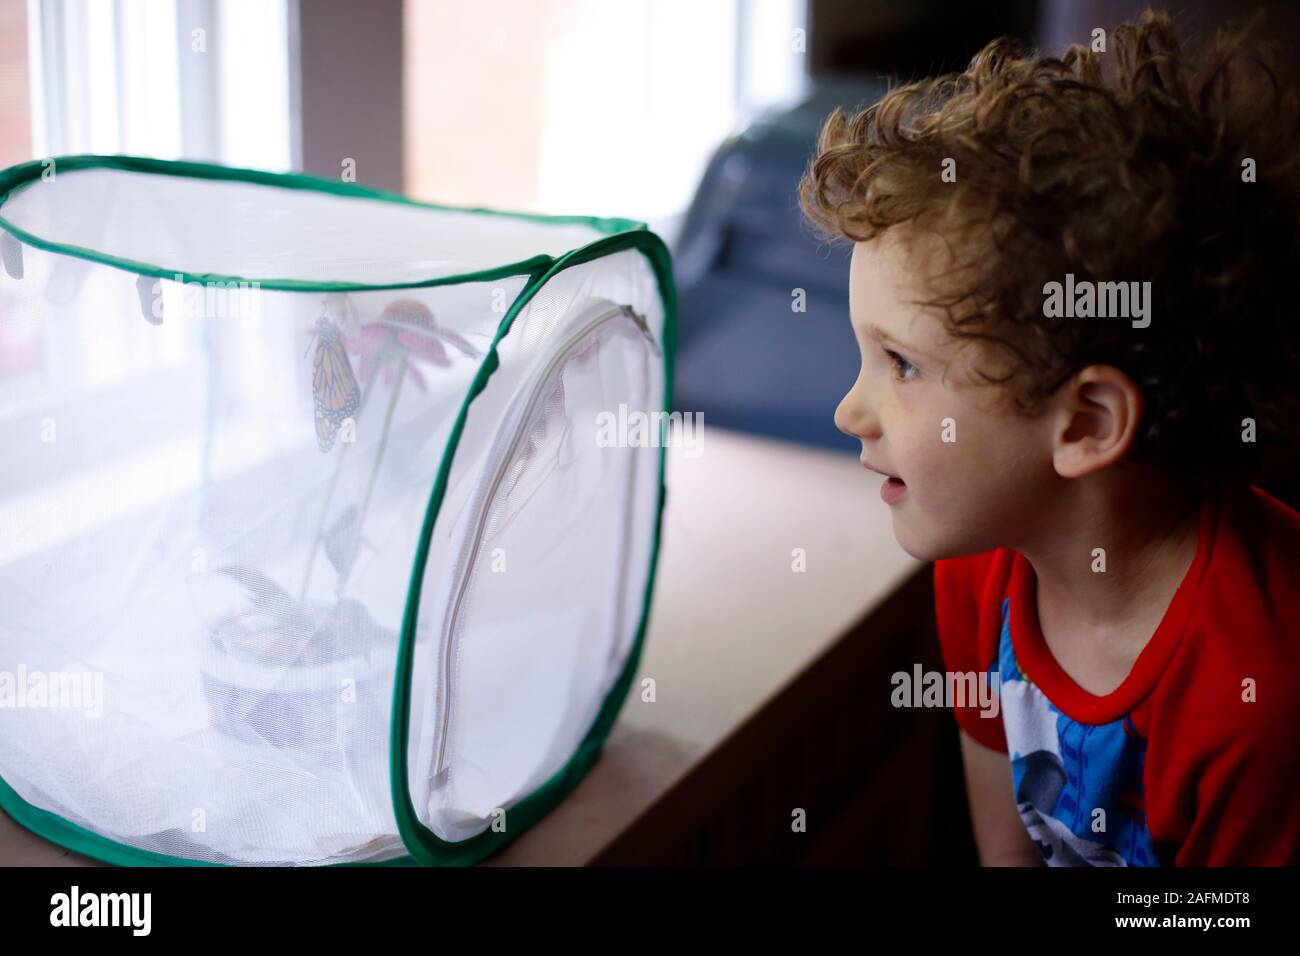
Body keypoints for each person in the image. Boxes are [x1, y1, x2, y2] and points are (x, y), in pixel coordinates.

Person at [798, 8, 1300, 865]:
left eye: (902, 364)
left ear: (1087, 424)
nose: (850, 411)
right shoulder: (978, 565)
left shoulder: (1260, 695)